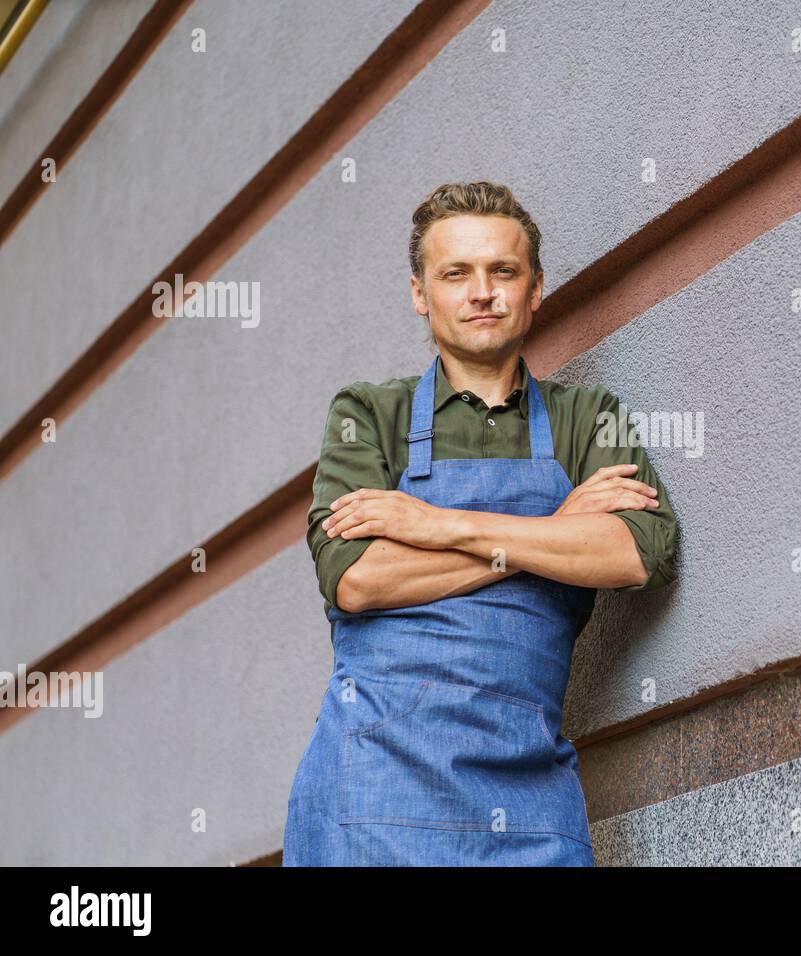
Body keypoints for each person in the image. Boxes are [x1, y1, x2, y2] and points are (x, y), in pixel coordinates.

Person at [282, 181, 679, 866]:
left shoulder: (587, 416)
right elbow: (357, 579)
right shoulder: (369, 413)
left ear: (536, 288)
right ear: (420, 293)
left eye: (503, 271)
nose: (482, 292)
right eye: (455, 273)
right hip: (375, 790)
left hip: (530, 794)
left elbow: (638, 553)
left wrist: (439, 526)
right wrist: (551, 532)